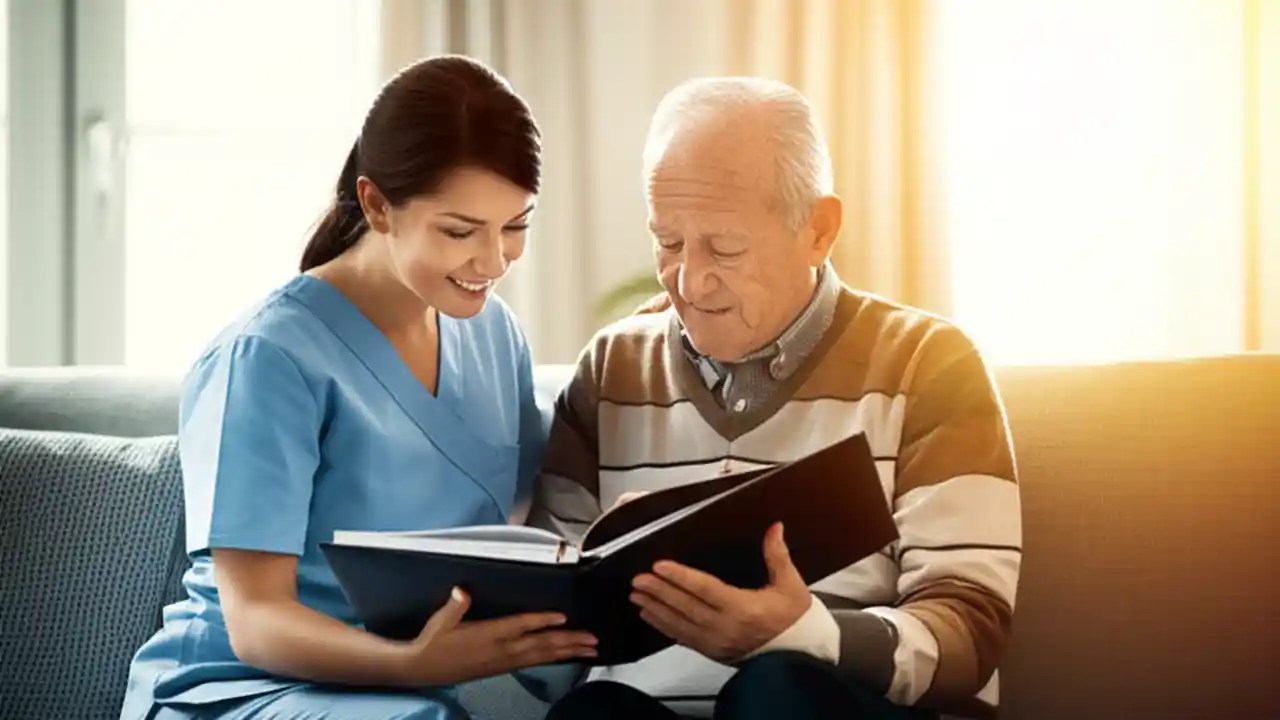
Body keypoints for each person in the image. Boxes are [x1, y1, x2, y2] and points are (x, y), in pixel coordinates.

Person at [118, 55, 597, 720]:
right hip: (239, 691)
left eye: (515, 227)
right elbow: (256, 621)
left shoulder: (496, 338)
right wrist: (413, 666)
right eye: (459, 231)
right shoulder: (267, 356)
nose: (493, 262)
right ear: (376, 204)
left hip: (397, 701)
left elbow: (548, 521)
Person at [531, 77, 1021, 720]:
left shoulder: (928, 364)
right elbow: (553, 597)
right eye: (668, 242)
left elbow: (969, 630)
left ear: (818, 230)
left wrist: (809, 636)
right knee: (595, 715)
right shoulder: (611, 371)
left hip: (825, 706)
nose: (689, 279)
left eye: (725, 247)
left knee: (773, 692)